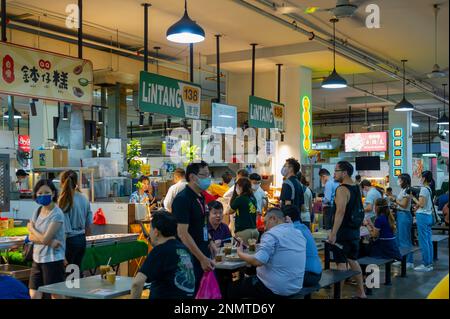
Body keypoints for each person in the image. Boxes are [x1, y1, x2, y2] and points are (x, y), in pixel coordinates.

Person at [229, 208, 306, 298]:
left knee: (232, 288)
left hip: (275, 289)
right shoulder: (298, 233)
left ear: (273, 218)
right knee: (250, 273)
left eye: (265, 223)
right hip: (296, 286)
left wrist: (240, 253)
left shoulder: (272, 234)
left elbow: (258, 261)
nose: (265, 228)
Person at [172, 161, 215, 293]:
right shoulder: (183, 199)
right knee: (191, 293)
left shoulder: (201, 196)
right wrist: (201, 258)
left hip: (203, 252)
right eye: (204, 175)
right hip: (190, 257)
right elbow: (182, 234)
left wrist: (210, 241)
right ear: (192, 177)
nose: (208, 178)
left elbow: (203, 223)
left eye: (209, 175)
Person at [131, 211, 196, 299]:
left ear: (156, 232)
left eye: (150, 229)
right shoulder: (185, 249)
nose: (150, 233)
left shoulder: (160, 251)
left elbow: (137, 283)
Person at [327, 161, 367, 299]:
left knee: (341, 265)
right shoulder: (356, 187)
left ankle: (336, 295)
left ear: (344, 172)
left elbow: (340, 212)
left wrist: (333, 233)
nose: (334, 174)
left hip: (342, 233)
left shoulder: (342, 189)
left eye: (336, 171)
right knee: (353, 260)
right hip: (354, 231)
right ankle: (361, 292)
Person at [27, 179, 65, 299]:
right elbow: (31, 237)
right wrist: (51, 242)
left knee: (55, 294)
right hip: (37, 259)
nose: (43, 195)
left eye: (46, 192)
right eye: (40, 193)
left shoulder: (57, 214)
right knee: (34, 294)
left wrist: (31, 228)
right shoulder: (37, 211)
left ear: (53, 193)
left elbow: (43, 238)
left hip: (53, 260)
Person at [58, 170, 92, 271]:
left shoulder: (64, 200)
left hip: (69, 241)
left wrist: (62, 253)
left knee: (68, 277)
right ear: (77, 182)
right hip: (81, 240)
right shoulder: (84, 198)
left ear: (62, 182)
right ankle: (76, 287)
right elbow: (88, 223)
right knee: (76, 274)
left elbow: (65, 230)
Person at [283, 205, 322, 287]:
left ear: (286, 218)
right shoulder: (304, 227)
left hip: (307, 275)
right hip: (318, 273)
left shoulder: (294, 230)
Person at [410, 171, 435, 272]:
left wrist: (413, 198)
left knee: (424, 241)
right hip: (428, 216)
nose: (420, 178)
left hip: (423, 216)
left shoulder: (424, 189)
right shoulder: (429, 188)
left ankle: (425, 264)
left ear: (424, 178)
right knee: (428, 241)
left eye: (421, 177)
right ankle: (429, 263)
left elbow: (422, 204)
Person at [391, 173, 414, 269]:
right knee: (399, 238)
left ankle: (409, 261)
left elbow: (404, 205)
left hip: (404, 215)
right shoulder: (403, 190)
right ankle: (401, 258)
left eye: (399, 179)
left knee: (405, 239)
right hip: (400, 215)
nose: (398, 181)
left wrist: (394, 200)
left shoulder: (408, 190)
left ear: (404, 180)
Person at [229, 178, 259, 244]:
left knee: (242, 252)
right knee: (252, 252)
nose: (236, 188)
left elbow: (230, 211)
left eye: (237, 186)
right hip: (255, 230)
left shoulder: (240, 198)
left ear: (240, 187)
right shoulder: (253, 198)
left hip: (244, 232)